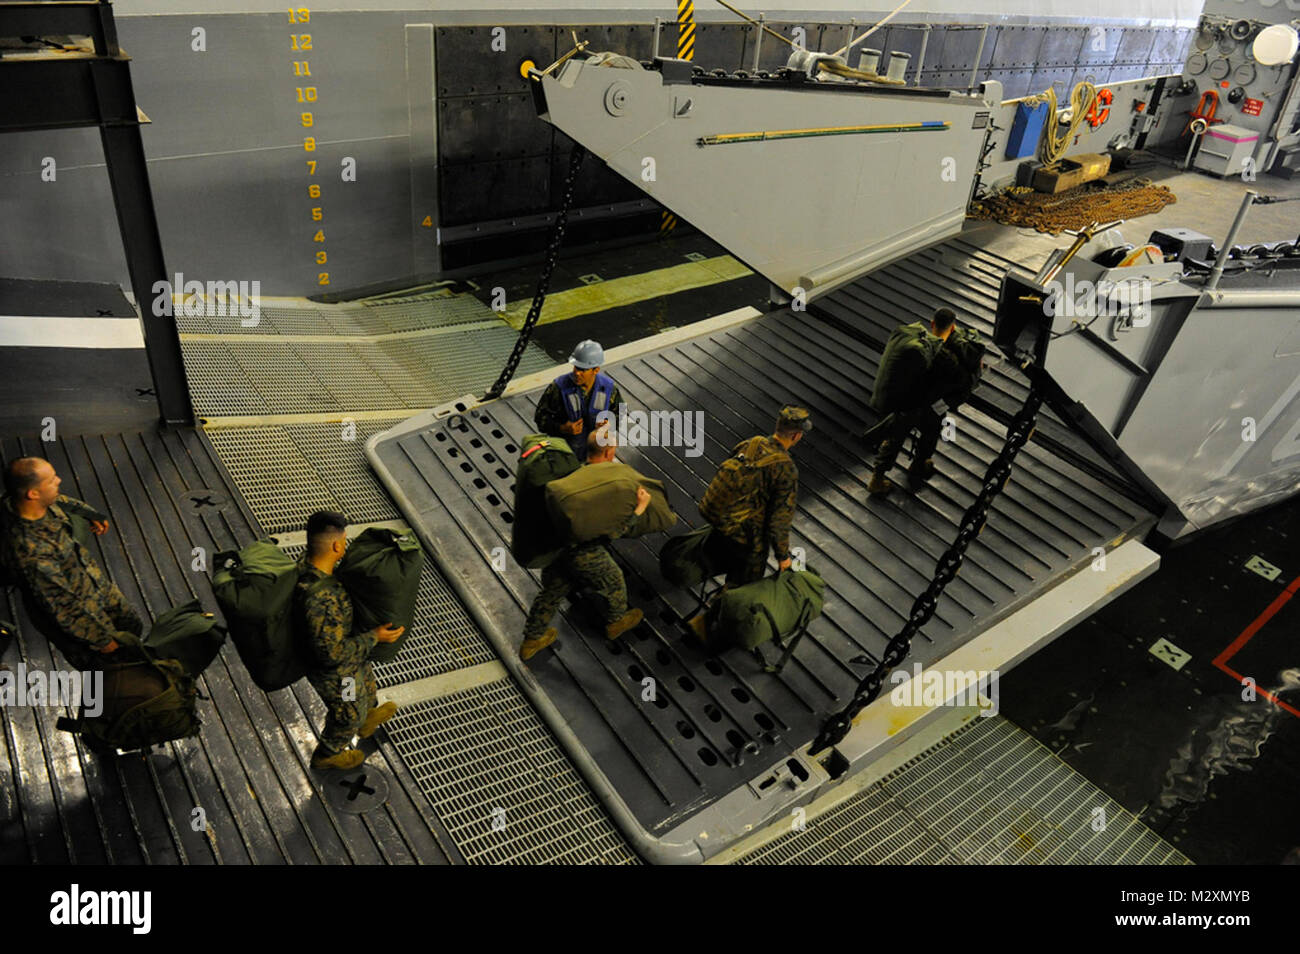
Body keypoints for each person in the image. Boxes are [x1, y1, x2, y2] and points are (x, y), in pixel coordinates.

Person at [519, 428, 649, 662]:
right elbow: (613, 531)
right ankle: (616, 622)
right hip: (583, 553)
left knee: (552, 591)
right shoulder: (604, 485)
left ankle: (532, 639)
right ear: (610, 451)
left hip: (557, 547)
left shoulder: (572, 473)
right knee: (615, 580)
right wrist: (639, 510)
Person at [0, 456, 142, 670]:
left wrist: (88, 512)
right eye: (51, 480)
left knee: (131, 625)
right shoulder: (32, 553)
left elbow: (59, 500)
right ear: (33, 494)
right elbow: (62, 607)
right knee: (110, 667)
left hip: (92, 583)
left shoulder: (21, 502)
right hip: (80, 613)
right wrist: (102, 641)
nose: (58, 481)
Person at [295, 511, 404, 771]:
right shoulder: (323, 599)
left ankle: (367, 719)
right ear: (336, 545)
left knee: (367, 680)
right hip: (334, 671)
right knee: (347, 713)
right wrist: (374, 637)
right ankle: (328, 754)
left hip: (348, 652)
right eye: (344, 540)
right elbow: (332, 654)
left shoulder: (307, 565)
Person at [697, 405, 810, 595]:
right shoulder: (786, 468)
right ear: (796, 436)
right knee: (742, 590)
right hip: (748, 539)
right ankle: (716, 617)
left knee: (731, 574)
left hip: (723, 524)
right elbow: (779, 520)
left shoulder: (750, 444)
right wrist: (783, 557)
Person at [867, 308, 960, 497]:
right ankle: (919, 464)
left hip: (904, 404)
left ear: (932, 324)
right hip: (921, 405)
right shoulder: (943, 353)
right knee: (932, 430)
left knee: (895, 438)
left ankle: (877, 478)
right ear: (952, 328)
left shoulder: (919, 342)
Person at [533, 339, 624, 456]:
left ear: (595, 370)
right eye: (576, 367)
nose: (577, 373)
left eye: (583, 369)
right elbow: (540, 418)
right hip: (566, 455)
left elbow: (621, 415)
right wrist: (562, 428)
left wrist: (609, 424)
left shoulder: (609, 389)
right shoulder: (559, 388)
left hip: (595, 455)